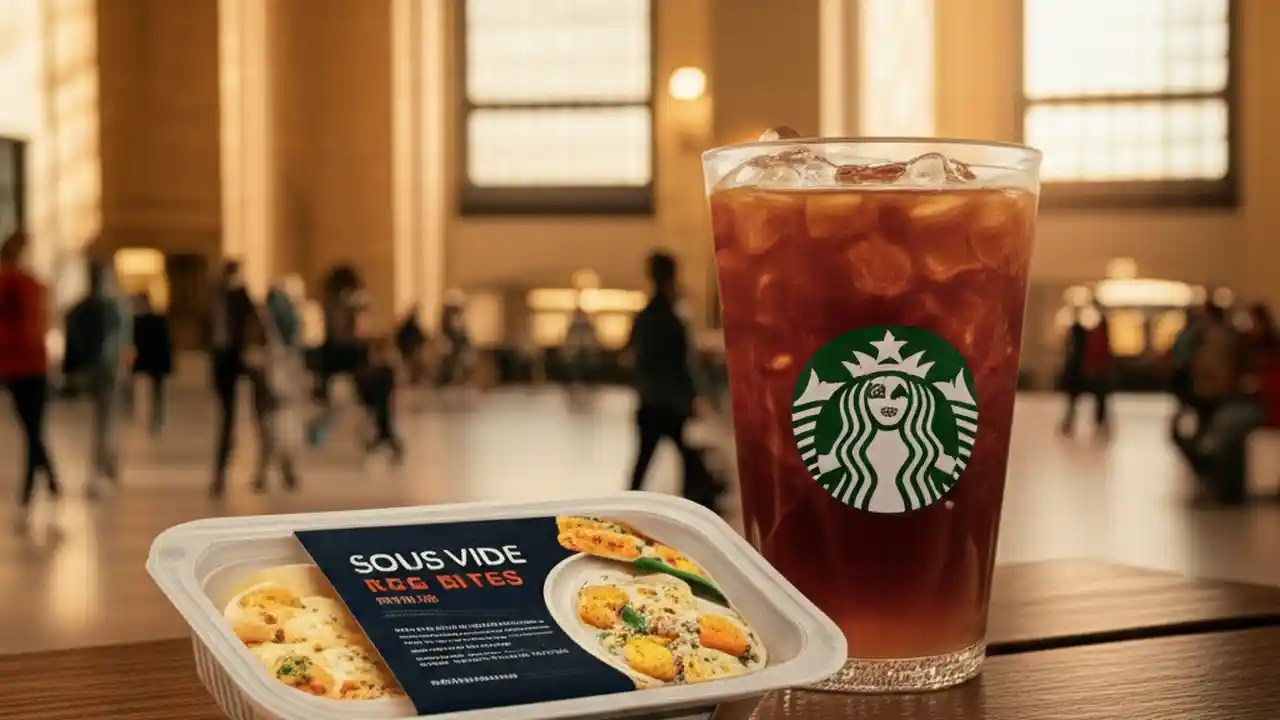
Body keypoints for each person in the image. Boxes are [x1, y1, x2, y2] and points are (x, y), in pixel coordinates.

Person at [627, 251, 722, 510]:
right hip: (671, 402)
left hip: (650, 399)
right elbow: (682, 365)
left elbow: (634, 358)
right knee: (684, 453)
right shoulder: (673, 320)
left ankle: (631, 499)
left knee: (646, 458)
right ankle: (699, 497)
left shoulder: (644, 318)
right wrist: (693, 396)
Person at [0, 232, 60, 529]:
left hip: (21, 364)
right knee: (34, 429)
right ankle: (49, 482)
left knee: (32, 429)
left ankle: (42, 485)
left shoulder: (17, 282)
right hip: (28, 362)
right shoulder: (21, 282)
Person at [66, 261, 132, 495]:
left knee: (105, 422)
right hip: (104, 370)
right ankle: (105, 467)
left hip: (105, 370)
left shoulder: (105, 308)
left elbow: (121, 340)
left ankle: (105, 467)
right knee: (105, 422)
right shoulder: (106, 308)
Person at [244, 300, 304, 492]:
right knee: (269, 437)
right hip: (266, 398)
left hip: (276, 398)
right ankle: (271, 474)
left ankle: (280, 473)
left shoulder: (274, 348)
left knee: (278, 436)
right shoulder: (261, 347)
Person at [209, 260, 256, 496]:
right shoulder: (216, 296)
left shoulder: (241, 298)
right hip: (224, 363)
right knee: (228, 419)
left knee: (243, 419)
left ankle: (238, 467)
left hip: (239, 363)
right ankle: (222, 471)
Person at [1060, 303, 1112, 435]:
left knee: (1078, 399)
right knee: (1093, 399)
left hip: (1088, 372)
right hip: (1089, 373)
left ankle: (1075, 422)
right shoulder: (1094, 337)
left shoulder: (1089, 337)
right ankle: (1097, 422)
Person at [130, 292, 173, 435]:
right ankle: (156, 420)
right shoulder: (154, 320)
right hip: (156, 360)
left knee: (157, 392)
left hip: (154, 360)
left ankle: (156, 420)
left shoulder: (141, 321)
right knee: (157, 393)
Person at [356, 338, 404, 461]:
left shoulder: (384, 370)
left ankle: (387, 446)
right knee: (383, 426)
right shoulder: (381, 369)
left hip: (383, 403)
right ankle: (383, 445)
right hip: (382, 403)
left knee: (384, 427)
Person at [437, 291, 472, 388]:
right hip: (449, 347)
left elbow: (464, 337)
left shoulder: (461, 323)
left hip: (459, 346)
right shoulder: (446, 323)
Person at [564, 304, 600, 394]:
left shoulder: (590, 329)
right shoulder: (571, 329)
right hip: (574, 358)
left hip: (588, 357)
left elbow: (594, 345)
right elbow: (567, 346)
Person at [394, 305, 428, 386]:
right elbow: (400, 337)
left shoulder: (413, 326)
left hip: (412, 349)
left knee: (411, 366)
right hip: (408, 349)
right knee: (408, 367)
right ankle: (410, 381)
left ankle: (412, 381)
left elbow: (420, 337)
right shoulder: (407, 326)